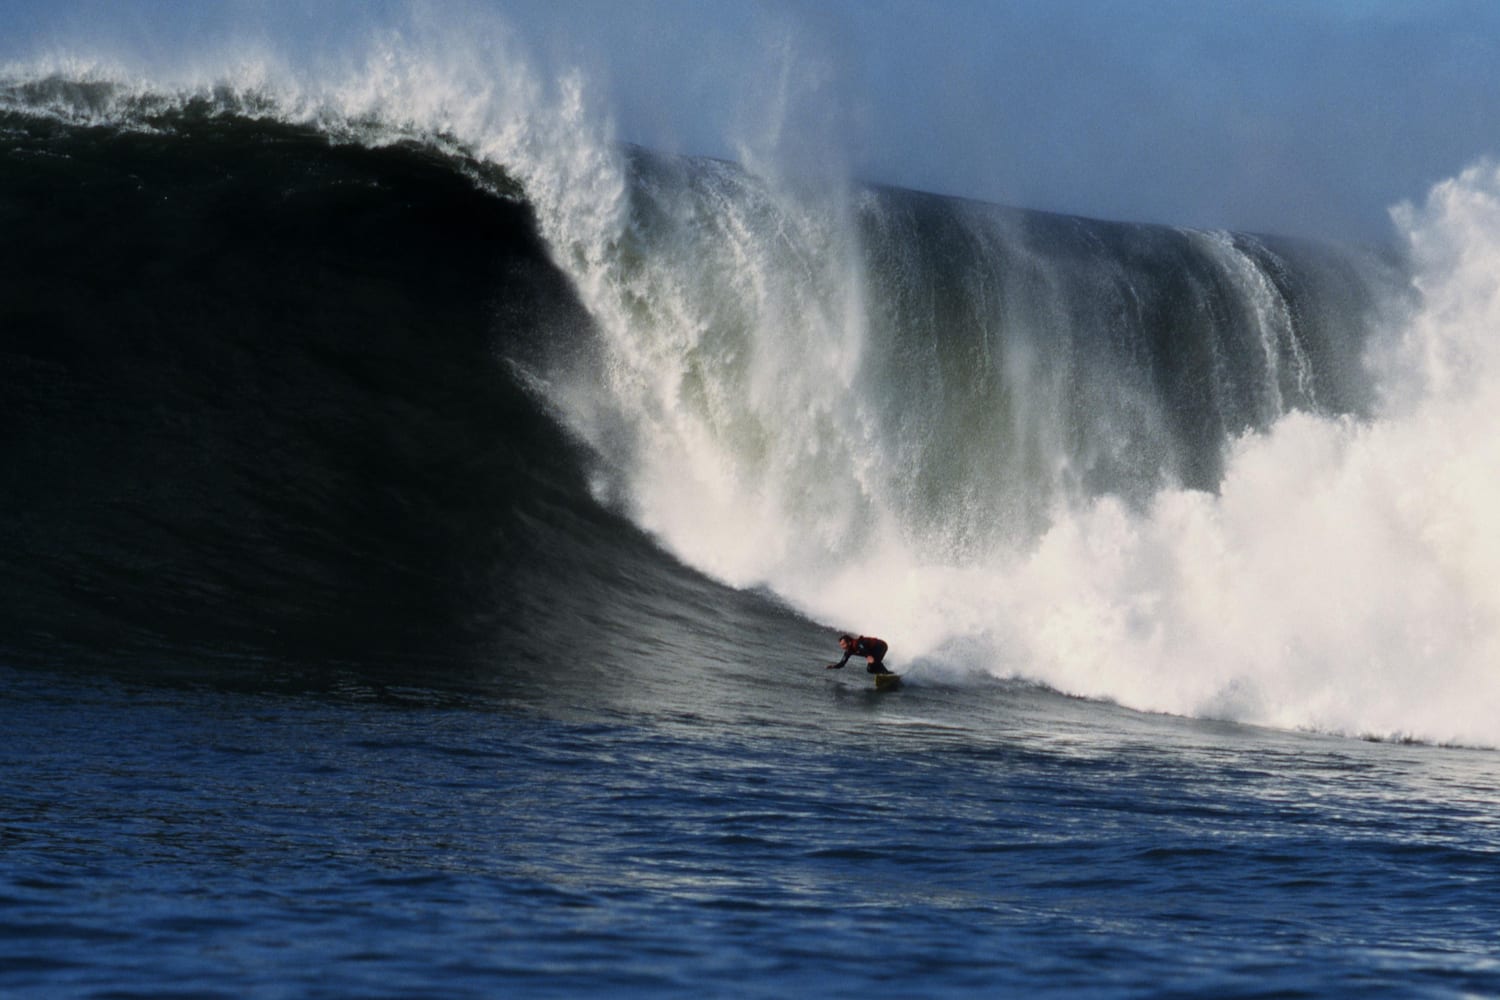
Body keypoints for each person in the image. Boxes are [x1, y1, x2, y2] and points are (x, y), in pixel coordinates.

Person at [826, 633, 892, 674]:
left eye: (843, 644)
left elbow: (863, 649)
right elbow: (842, 663)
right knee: (871, 669)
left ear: (849, 642)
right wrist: (833, 666)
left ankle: (886, 673)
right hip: (872, 651)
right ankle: (885, 673)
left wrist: (868, 656)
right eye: (841, 645)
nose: (842, 647)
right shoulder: (848, 651)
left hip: (880, 646)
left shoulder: (857, 644)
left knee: (873, 665)